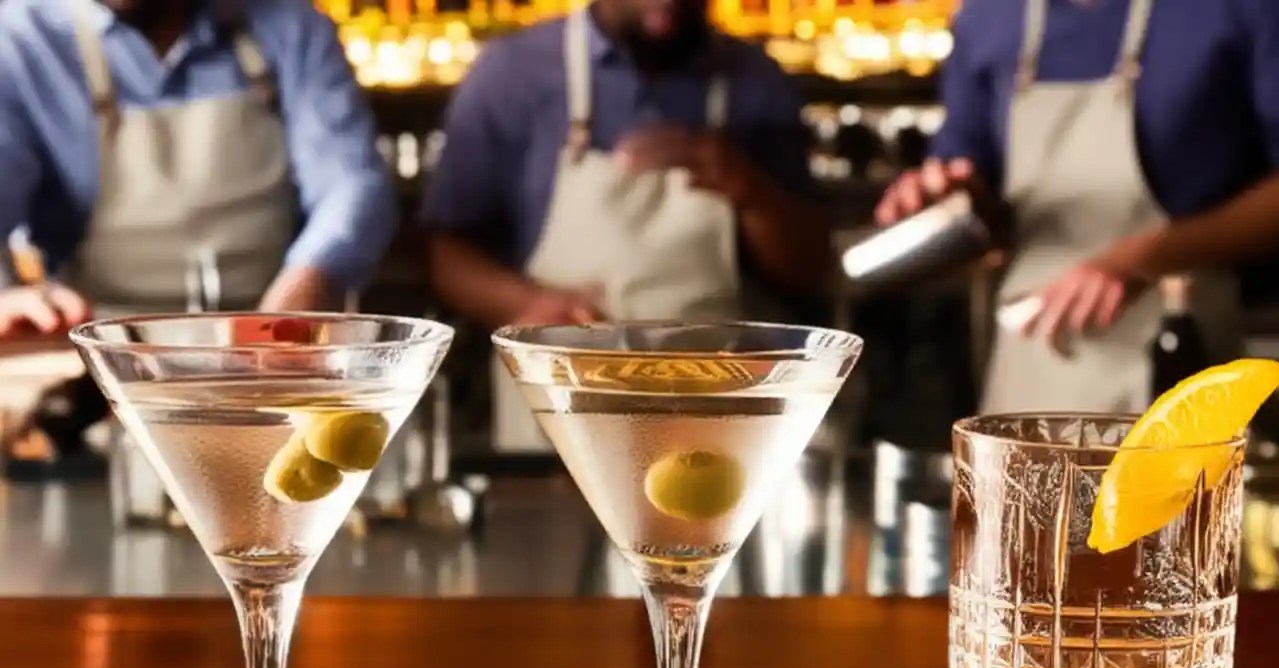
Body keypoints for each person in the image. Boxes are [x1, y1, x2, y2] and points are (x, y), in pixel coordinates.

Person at [420, 0, 830, 450]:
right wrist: (531, 305)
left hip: (708, 420)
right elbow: (448, 259)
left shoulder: (758, 83)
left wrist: (749, 189)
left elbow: (807, 270)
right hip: (561, 415)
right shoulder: (511, 74)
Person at [876, 0, 1279, 414]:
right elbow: (976, 192)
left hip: (1183, 357)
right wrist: (942, 200)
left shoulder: (1242, 8)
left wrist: (1144, 258)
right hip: (1031, 360)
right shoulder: (986, 14)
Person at [0, 0, 396, 334]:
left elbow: (351, 183)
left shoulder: (289, 23)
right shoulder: (19, 40)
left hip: (273, 339)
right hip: (95, 354)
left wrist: (308, 284)